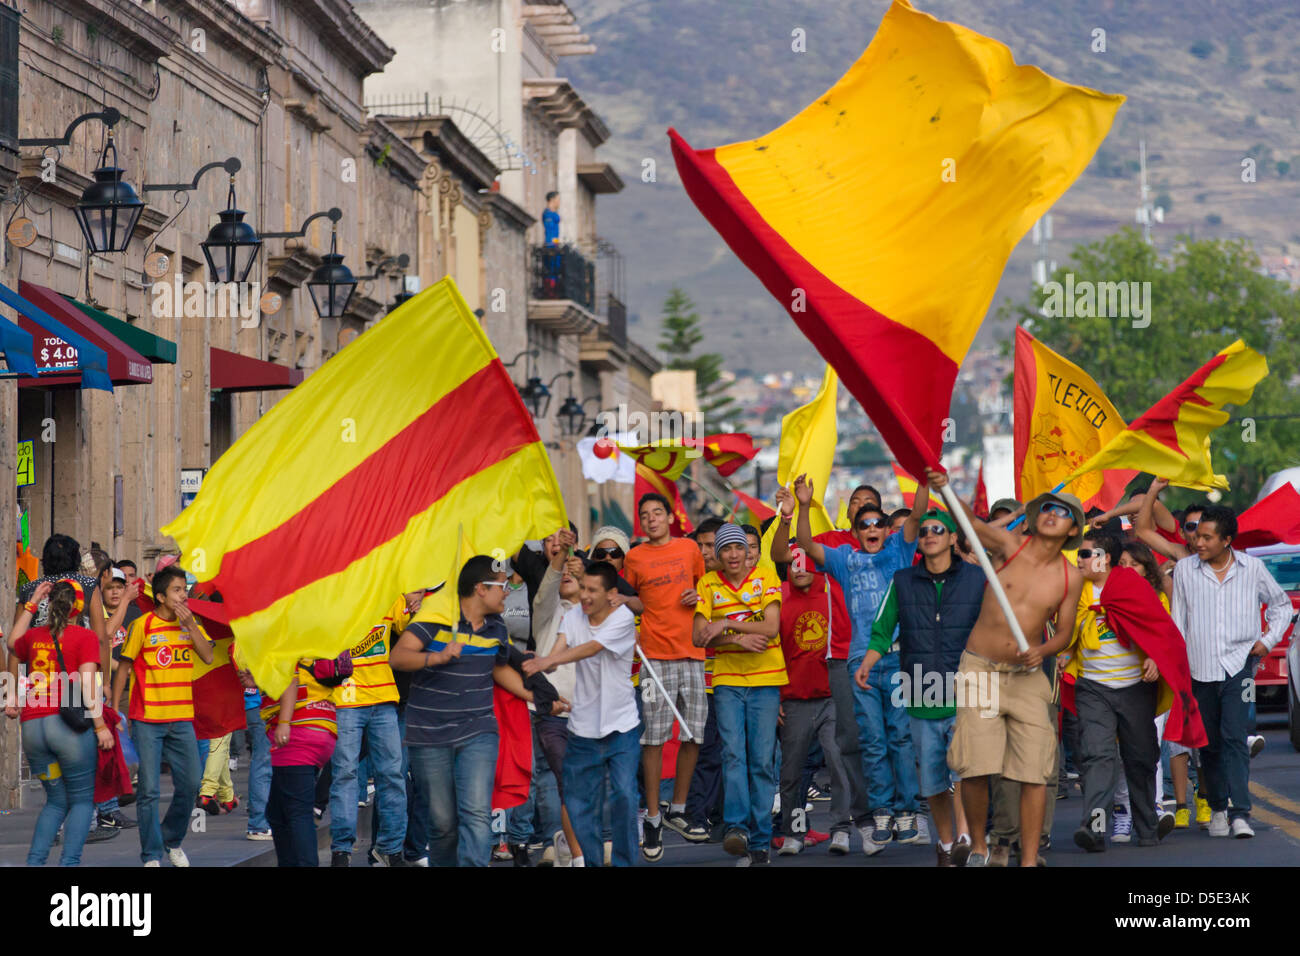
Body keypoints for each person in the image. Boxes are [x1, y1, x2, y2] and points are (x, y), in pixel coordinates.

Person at [928, 467, 1083, 868]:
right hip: (980, 669)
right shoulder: (1009, 544)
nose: (1052, 513)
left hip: (1028, 677)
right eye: (1047, 507)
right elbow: (971, 523)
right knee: (975, 765)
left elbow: (1065, 633)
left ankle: (1028, 859)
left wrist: (1043, 650)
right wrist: (944, 488)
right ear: (1035, 516)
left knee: (1034, 771)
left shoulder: (1071, 576)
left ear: (1072, 530)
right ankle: (979, 845)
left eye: (1062, 512)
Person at [793, 473, 926, 854]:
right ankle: (881, 810)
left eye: (877, 523)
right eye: (864, 524)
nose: (871, 528)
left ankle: (906, 810)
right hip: (859, 663)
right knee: (871, 740)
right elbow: (804, 544)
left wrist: (923, 476)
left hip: (897, 658)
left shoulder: (900, 551)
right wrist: (803, 506)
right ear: (855, 532)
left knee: (900, 737)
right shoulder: (843, 559)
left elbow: (917, 512)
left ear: (886, 529)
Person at [390, 555, 549, 866]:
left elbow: (499, 669)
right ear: (480, 588)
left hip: (479, 732)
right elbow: (398, 656)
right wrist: (435, 658)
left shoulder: (496, 628)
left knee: (477, 814)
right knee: (443, 825)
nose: (506, 592)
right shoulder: (434, 620)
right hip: (430, 735)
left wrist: (538, 697)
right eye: (501, 586)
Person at [858, 509, 982, 866]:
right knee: (932, 783)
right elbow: (882, 629)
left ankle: (966, 838)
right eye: (924, 530)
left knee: (965, 773)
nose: (929, 534)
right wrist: (867, 662)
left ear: (953, 538)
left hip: (968, 690)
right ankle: (945, 845)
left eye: (938, 529)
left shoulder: (977, 579)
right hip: (921, 693)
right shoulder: (902, 580)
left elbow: (996, 624)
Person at [1171, 504, 1290, 839]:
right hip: (1198, 668)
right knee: (1207, 744)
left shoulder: (1252, 568)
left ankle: (1241, 813)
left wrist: (1267, 641)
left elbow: (1281, 604)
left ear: (1226, 540)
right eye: (1196, 535)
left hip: (1241, 667)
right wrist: (1178, 669)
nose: (1198, 542)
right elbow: (1179, 622)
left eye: (1207, 537)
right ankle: (1218, 808)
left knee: (1235, 738)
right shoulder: (1184, 570)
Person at [524, 562, 640, 866]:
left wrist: (552, 658)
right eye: (583, 588)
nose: (585, 596)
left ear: (611, 594)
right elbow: (560, 648)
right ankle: (588, 861)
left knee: (625, 798)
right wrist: (545, 663)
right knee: (577, 805)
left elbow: (590, 648)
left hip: (621, 727)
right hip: (583, 729)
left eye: (592, 590)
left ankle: (624, 862)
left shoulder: (623, 618)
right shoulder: (573, 616)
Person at [1062, 530, 1168, 851]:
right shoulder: (1073, 592)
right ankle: (1094, 829)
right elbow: (1065, 632)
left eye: (1084, 554)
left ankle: (1147, 828)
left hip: (1136, 688)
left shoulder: (1133, 586)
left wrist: (1154, 657)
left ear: (1104, 558)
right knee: (1098, 758)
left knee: (1140, 758)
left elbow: (1157, 626)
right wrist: (1063, 652)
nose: (1078, 560)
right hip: (1093, 688)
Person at [4, 580, 115, 865]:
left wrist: (31, 605)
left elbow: (11, 643)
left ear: (49, 604)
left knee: (56, 800)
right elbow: (88, 684)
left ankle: (35, 862)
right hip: (66, 730)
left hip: (33, 728)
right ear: (78, 608)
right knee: (80, 800)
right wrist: (100, 725)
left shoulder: (35, 636)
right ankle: (69, 864)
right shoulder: (84, 637)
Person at [693, 523, 785, 865]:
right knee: (732, 754)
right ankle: (737, 829)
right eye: (726, 550)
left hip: (766, 679)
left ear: (748, 552)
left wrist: (728, 624)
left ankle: (760, 839)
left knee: (761, 760)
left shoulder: (766, 577)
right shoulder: (707, 583)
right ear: (718, 554)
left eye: (738, 549)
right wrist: (737, 639)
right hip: (728, 679)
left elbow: (771, 627)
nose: (733, 555)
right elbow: (698, 636)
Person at [622, 493, 708, 858]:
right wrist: (622, 600)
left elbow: (707, 588)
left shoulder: (690, 548)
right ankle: (654, 817)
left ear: (669, 516)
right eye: (646, 514)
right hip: (654, 656)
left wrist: (697, 596)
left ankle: (679, 808)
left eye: (658, 512)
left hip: (691, 652)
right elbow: (635, 599)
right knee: (654, 739)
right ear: (641, 522)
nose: (652, 518)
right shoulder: (635, 556)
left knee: (694, 733)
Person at [111, 565, 214, 867]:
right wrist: (116, 709)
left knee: (191, 783)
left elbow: (207, 655)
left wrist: (191, 626)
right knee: (150, 790)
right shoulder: (142, 625)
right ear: (160, 596)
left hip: (182, 718)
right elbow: (125, 667)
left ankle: (172, 839)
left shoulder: (190, 623)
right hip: (147, 719)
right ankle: (151, 855)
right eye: (177, 590)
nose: (184, 595)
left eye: (185, 589)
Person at [773, 544, 854, 856]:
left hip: (832, 696)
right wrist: (777, 695)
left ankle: (841, 829)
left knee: (838, 761)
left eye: (807, 561)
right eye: (794, 562)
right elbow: (773, 648)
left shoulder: (834, 590)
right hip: (794, 699)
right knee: (791, 772)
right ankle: (793, 831)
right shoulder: (778, 595)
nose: (801, 567)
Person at [327, 594, 414, 867]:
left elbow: (411, 625)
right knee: (345, 775)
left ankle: (389, 849)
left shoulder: (390, 592)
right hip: (344, 700)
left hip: (384, 699)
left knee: (392, 776)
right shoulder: (334, 590)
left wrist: (414, 601)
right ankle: (341, 850)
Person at [529, 529, 585, 865]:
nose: (565, 575)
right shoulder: (547, 609)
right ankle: (578, 858)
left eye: (572, 572)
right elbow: (549, 581)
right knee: (569, 782)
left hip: (592, 714)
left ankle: (567, 839)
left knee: (585, 786)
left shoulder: (598, 613)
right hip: (554, 714)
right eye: (561, 572)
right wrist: (562, 553)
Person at [261, 656, 344, 866]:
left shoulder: (283, 634)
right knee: (277, 813)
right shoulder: (312, 634)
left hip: (298, 731)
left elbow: (289, 677)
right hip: (322, 727)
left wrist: (284, 723)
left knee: (298, 813)